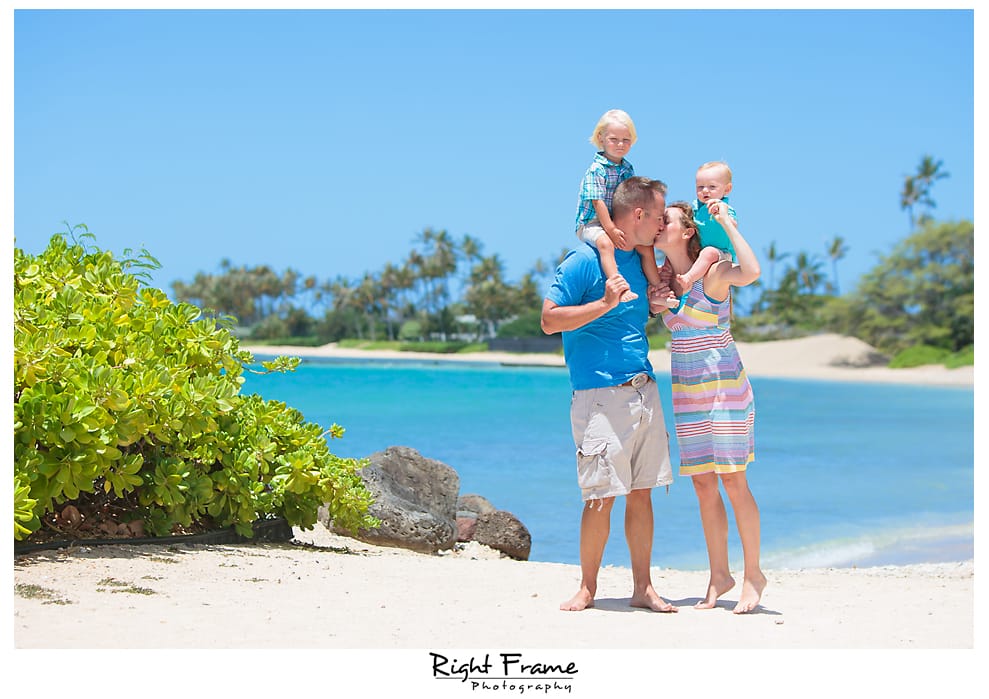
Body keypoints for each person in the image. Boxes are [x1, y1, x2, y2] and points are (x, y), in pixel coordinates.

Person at [543, 176, 676, 613]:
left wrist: (658, 300)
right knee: (600, 495)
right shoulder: (583, 260)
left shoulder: (640, 261)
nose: (661, 224)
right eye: (658, 216)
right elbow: (549, 320)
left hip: (644, 390)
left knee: (642, 492)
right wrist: (603, 304)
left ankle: (643, 588)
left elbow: (638, 317)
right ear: (638, 214)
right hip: (599, 396)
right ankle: (587, 588)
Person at [650, 200, 767, 614]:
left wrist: (728, 226)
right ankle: (720, 574)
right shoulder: (662, 280)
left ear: (686, 232)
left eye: (667, 220)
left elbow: (751, 272)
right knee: (702, 485)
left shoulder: (713, 273)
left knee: (734, 481)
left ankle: (753, 574)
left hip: (723, 388)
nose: (658, 224)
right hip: (687, 390)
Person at [575, 110, 663, 303]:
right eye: (614, 139)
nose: (620, 144)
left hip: (617, 220)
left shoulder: (627, 168)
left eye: (626, 140)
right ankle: (618, 286)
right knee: (606, 244)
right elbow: (597, 202)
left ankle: (658, 290)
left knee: (646, 246)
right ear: (601, 138)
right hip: (593, 223)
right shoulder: (596, 169)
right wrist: (611, 229)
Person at [671, 161, 739, 289]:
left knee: (709, 252)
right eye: (700, 187)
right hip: (699, 253)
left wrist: (723, 218)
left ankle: (689, 278)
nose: (705, 191)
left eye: (712, 187)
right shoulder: (695, 208)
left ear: (727, 189)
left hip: (722, 255)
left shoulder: (723, 207)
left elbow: (733, 225)